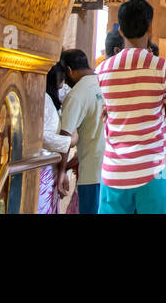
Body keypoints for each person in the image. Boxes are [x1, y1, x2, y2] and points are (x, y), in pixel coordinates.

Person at [94, 0, 166, 214]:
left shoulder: (102, 71)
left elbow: (104, 113)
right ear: (150, 27)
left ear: (121, 30)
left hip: (114, 169)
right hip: (153, 167)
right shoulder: (162, 68)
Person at [56, 48, 106, 213]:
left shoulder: (76, 95)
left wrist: (61, 171)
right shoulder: (105, 83)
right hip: (113, 171)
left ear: (69, 70)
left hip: (92, 174)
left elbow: (65, 137)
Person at [39, 62, 73, 213]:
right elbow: (41, 136)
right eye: (61, 80)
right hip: (42, 168)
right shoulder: (43, 98)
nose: (63, 85)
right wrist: (69, 141)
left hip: (51, 168)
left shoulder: (50, 98)